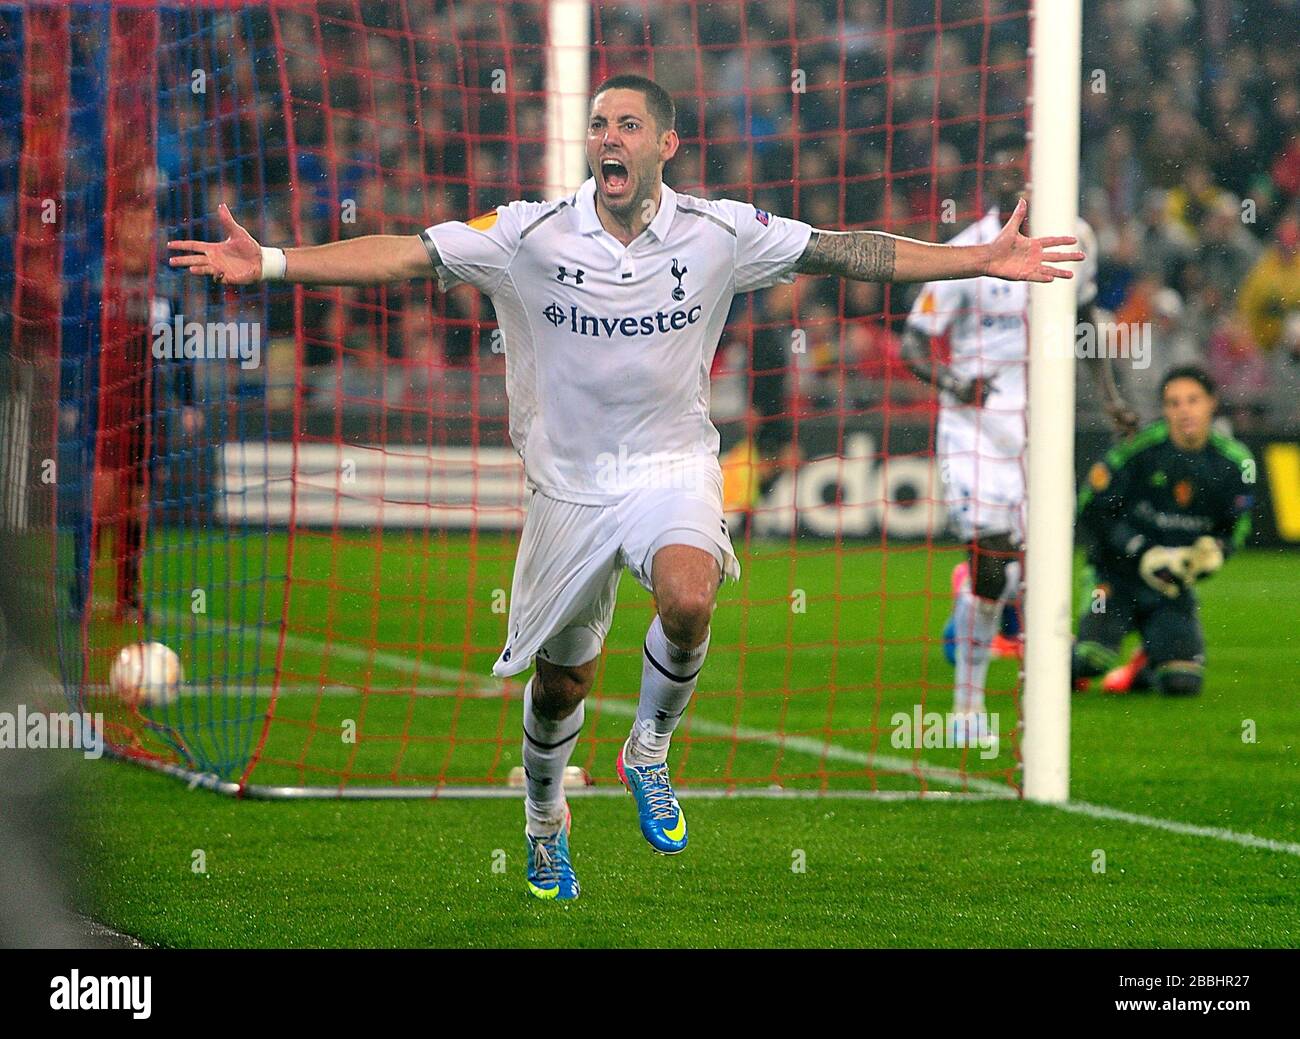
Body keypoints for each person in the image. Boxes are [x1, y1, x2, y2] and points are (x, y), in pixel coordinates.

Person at [168, 74, 1082, 901]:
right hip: (566, 488)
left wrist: (976, 258)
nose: (609, 135)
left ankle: (648, 748)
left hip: (671, 465)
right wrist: (276, 263)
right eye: (599, 122)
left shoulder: (721, 232)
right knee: (563, 680)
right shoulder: (525, 232)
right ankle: (542, 817)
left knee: (690, 594)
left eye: (629, 123)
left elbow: (846, 252)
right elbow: (406, 253)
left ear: (664, 146)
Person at [901, 132, 1119, 745]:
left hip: (1042, 430)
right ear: (990, 181)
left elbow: (1085, 321)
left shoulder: (1076, 237)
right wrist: (954, 382)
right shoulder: (965, 251)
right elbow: (913, 342)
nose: (1016, 179)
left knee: (1030, 570)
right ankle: (967, 707)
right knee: (996, 566)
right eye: (1004, 170)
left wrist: (1111, 399)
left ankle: (1004, 645)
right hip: (974, 426)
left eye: (1024, 168)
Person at [1071, 366, 1254, 696]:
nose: (1184, 410)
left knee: (1182, 683)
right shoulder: (1139, 451)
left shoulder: (1234, 463)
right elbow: (1091, 508)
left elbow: (1236, 530)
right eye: (1173, 403)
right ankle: (1060, 654)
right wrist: (1141, 550)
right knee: (1092, 659)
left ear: (1211, 403)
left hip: (1170, 587)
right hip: (1113, 578)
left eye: (1192, 400)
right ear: (1164, 409)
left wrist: (1214, 554)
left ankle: (1144, 663)